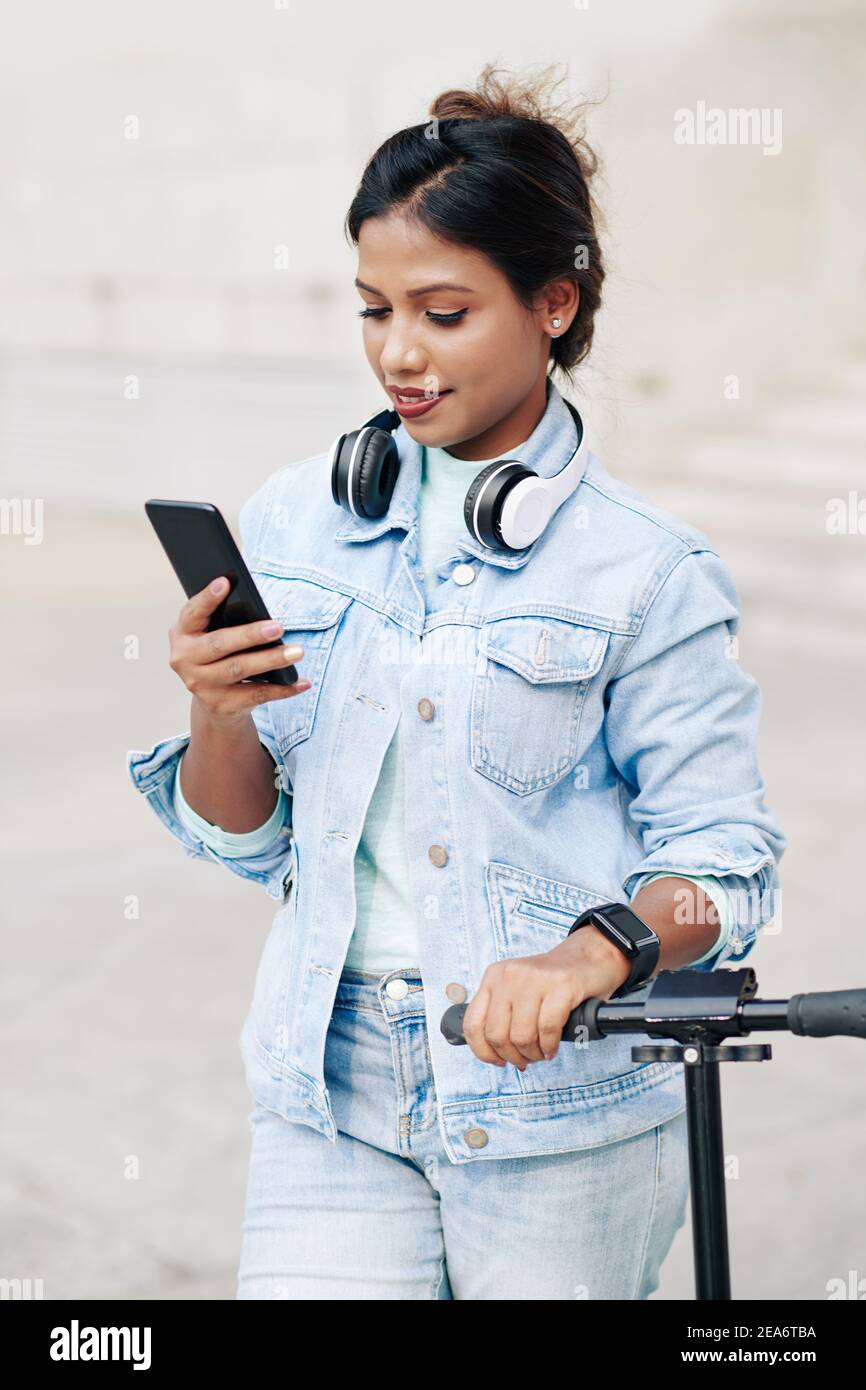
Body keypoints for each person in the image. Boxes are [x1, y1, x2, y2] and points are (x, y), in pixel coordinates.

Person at [127, 63, 787, 1300]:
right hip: (330, 1092)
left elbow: (724, 865)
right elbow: (242, 836)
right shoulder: (293, 522)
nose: (397, 355)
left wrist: (588, 956)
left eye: (440, 312)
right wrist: (216, 710)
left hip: (562, 1113)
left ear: (550, 304)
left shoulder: (648, 573)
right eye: (373, 309)